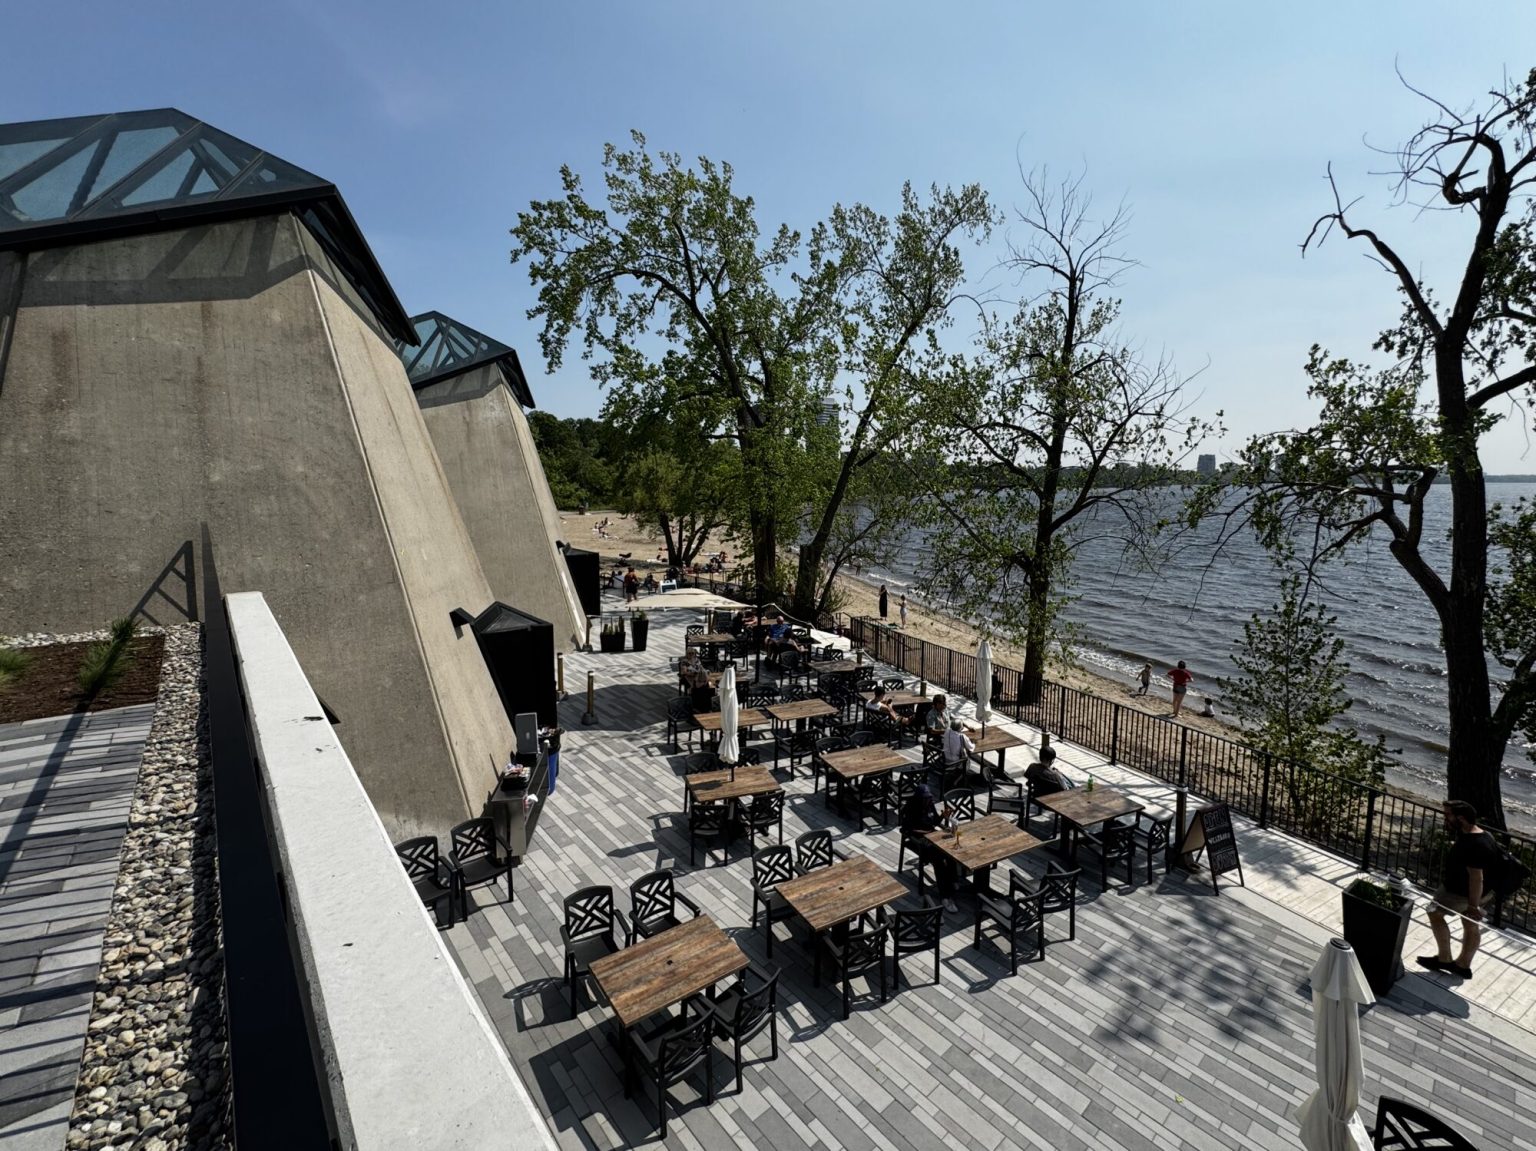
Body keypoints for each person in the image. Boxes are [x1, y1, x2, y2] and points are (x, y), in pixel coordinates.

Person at [1418, 801, 1502, 980]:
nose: (1445, 818)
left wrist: (1473, 905)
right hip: (1482, 892)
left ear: (1461, 818)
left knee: (1434, 913)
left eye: (1448, 815)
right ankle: (1463, 965)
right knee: (1471, 924)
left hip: (1460, 893)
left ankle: (1444, 959)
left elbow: (1476, 877)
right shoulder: (1484, 835)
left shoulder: (1475, 844)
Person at [900, 783, 960, 913]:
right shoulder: (911, 809)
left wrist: (943, 816)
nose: (929, 801)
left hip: (933, 838)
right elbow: (908, 830)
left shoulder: (929, 805)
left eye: (929, 798)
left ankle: (953, 880)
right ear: (919, 799)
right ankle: (945, 896)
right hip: (920, 842)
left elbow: (933, 822)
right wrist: (927, 835)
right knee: (939, 862)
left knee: (952, 851)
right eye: (926, 799)